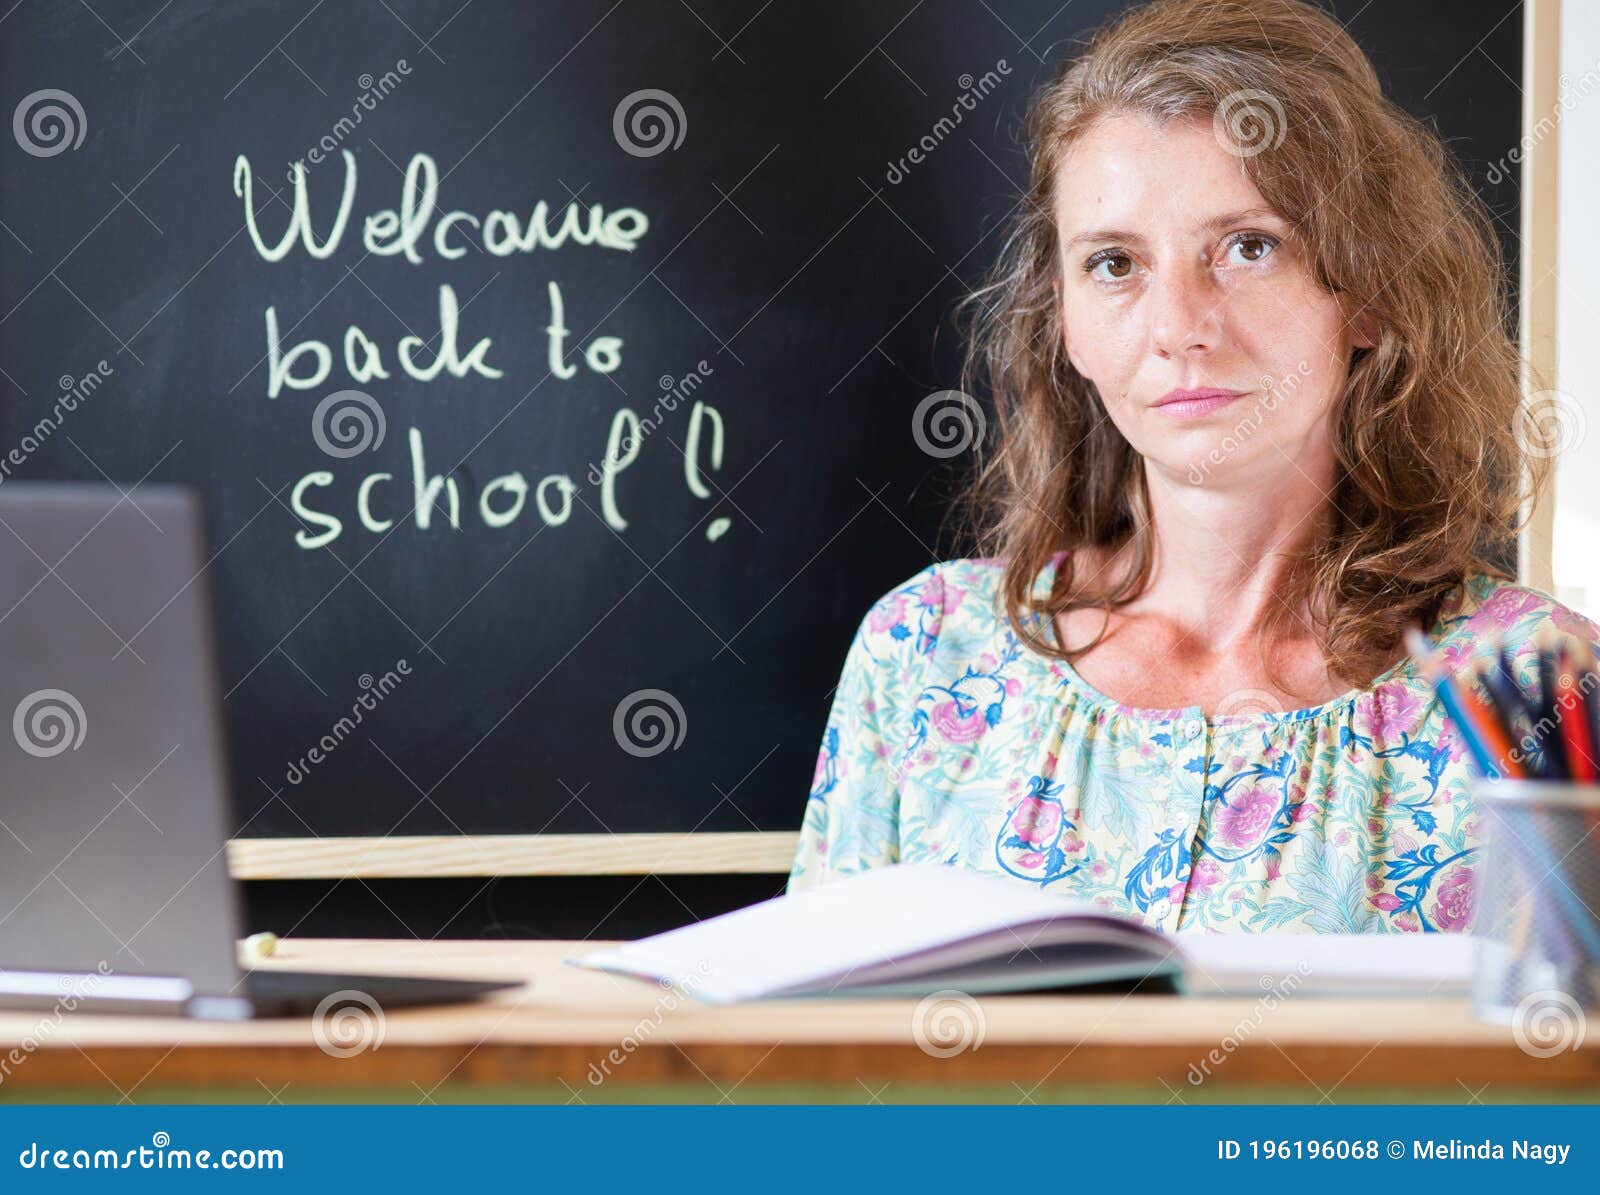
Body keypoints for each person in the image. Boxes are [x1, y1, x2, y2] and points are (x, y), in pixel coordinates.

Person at [786, 0, 1599, 932]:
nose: (1179, 328)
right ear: (1065, 323)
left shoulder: (1541, 686)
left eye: (1248, 247)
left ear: (1369, 293)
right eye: (1115, 263)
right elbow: (811, 1059)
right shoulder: (924, 655)